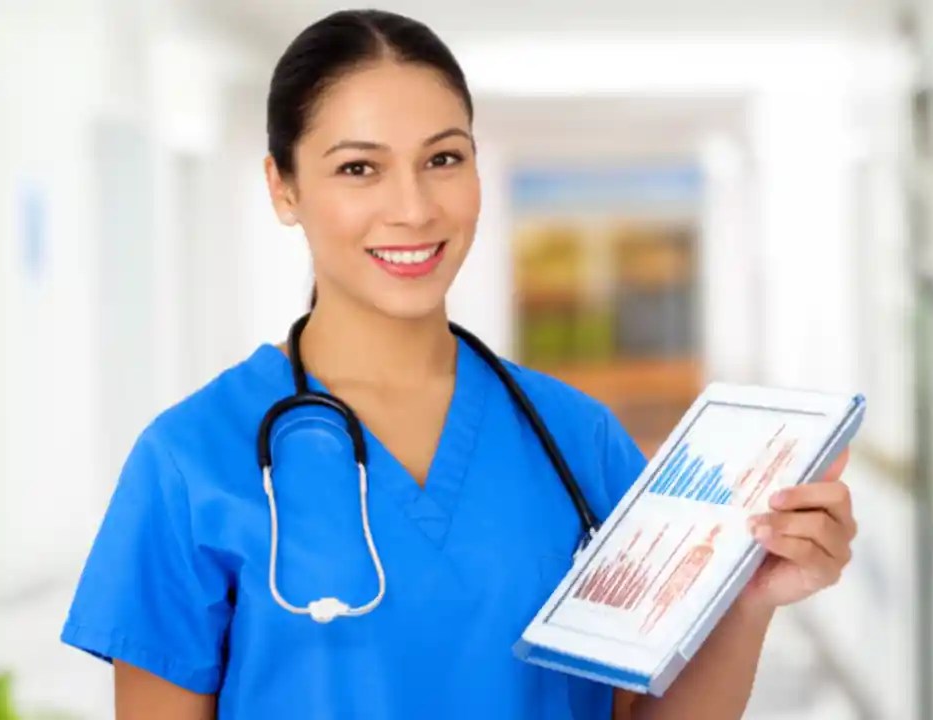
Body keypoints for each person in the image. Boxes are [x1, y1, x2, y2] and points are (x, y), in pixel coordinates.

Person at [59, 9, 858, 720]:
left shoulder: (576, 440)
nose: (413, 207)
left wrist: (748, 603)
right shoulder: (190, 460)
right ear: (284, 187)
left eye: (443, 159)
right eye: (358, 168)